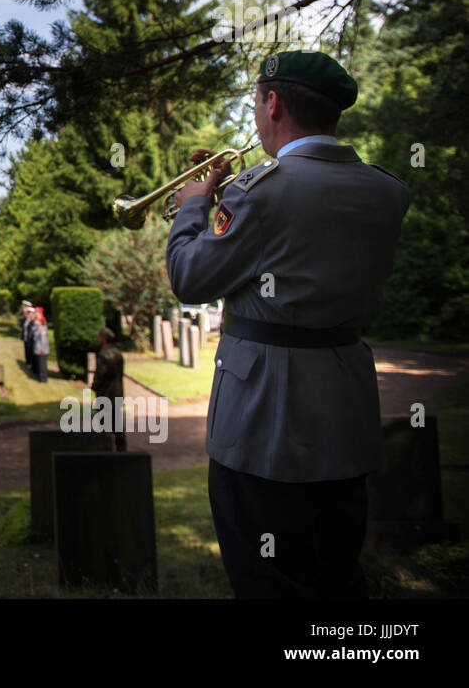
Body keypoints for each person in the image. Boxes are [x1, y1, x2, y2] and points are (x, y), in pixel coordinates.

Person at [166, 50, 409, 599]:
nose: (256, 116)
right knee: (337, 577)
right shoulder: (388, 190)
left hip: (263, 424)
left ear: (273, 102)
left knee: (267, 579)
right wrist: (226, 195)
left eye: (256, 103)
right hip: (344, 417)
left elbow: (190, 279)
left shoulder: (261, 191)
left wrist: (192, 206)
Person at [91, 327, 126, 451]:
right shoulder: (118, 354)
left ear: (104, 339)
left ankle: (107, 452)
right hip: (117, 393)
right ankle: (122, 449)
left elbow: (100, 374)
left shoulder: (104, 355)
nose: (98, 338)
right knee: (117, 424)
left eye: (100, 336)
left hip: (105, 394)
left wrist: (94, 386)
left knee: (104, 425)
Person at [31, 307, 50, 383]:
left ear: (41, 322)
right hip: (38, 349)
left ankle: (43, 379)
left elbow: (43, 340)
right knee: (40, 364)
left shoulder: (42, 328)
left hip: (42, 350)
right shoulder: (38, 327)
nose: (36, 321)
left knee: (42, 365)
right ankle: (40, 377)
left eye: (38, 320)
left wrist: (42, 350)